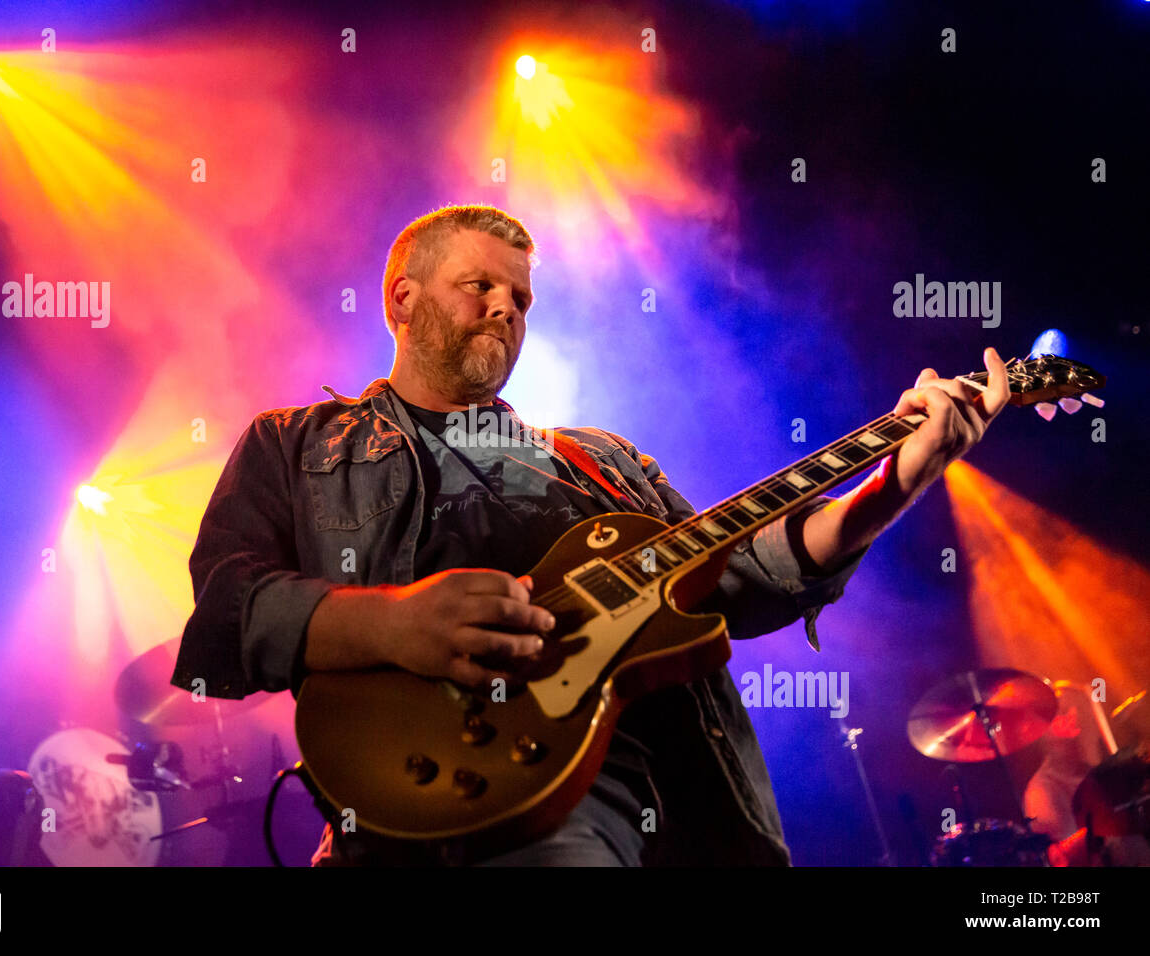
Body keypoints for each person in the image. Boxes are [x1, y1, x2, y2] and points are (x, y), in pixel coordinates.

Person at [170, 204, 1010, 866]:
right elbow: (226, 612)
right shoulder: (296, 442)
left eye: (522, 298)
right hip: (384, 813)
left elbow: (739, 579)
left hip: (589, 801)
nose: (506, 307)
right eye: (480, 286)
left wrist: (896, 480)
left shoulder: (597, 461)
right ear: (402, 298)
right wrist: (389, 622)